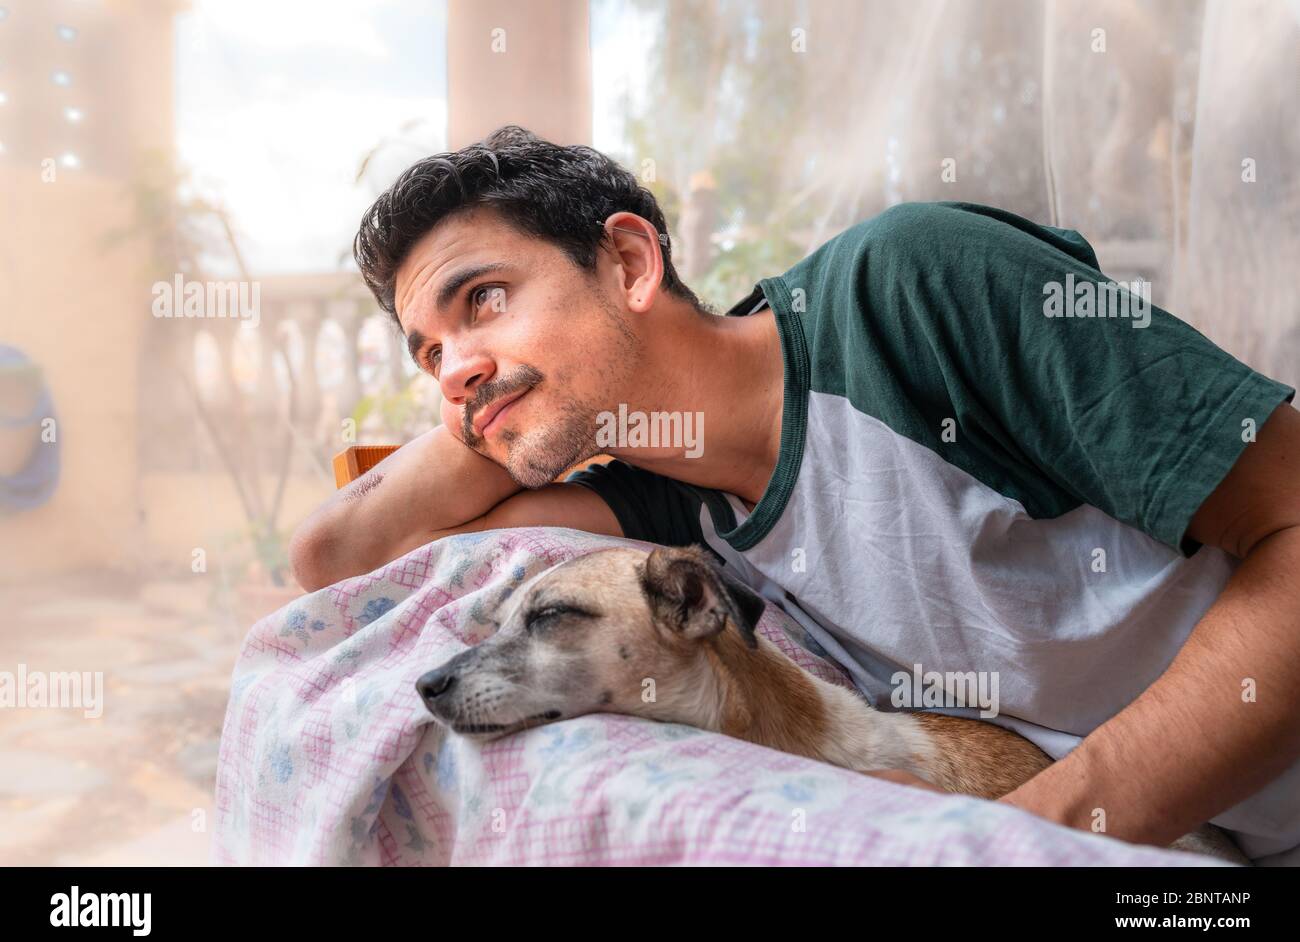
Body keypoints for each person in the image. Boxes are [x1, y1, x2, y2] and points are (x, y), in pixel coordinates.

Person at [291, 126, 1300, 863]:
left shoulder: (911, 290)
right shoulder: (669, 510)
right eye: (426, 351)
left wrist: (1025, 835)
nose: (449, 367)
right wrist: (493, 379)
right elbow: (341, 561)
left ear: (631, 262)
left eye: (486, 295)